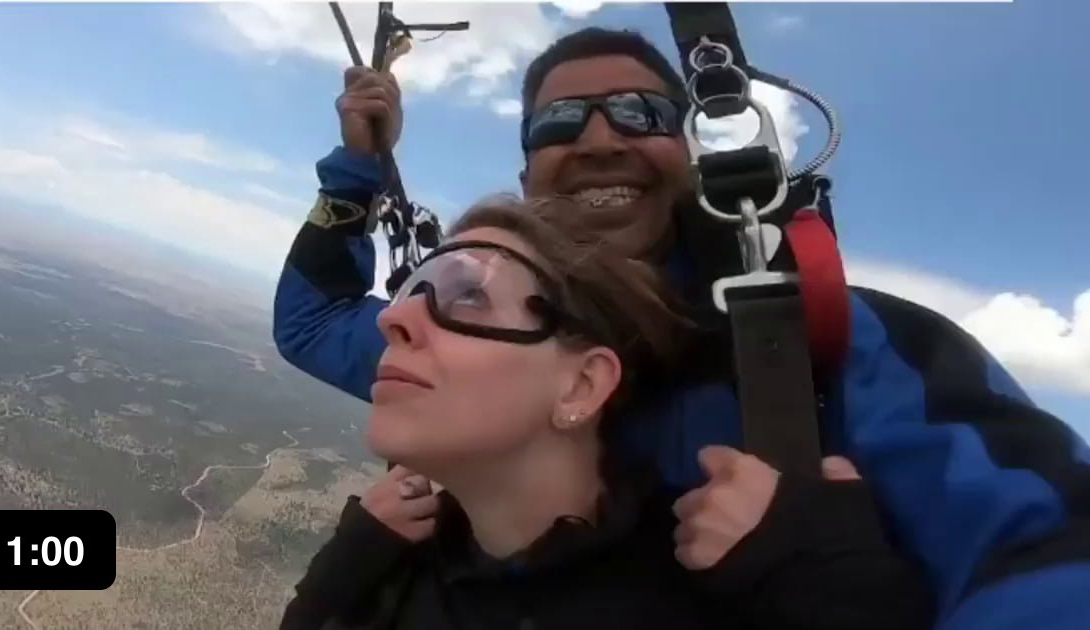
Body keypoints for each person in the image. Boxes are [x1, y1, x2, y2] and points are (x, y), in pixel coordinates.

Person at [274, 27, 1090, 630]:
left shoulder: (825, 341)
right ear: (528, 172)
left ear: (691, 151)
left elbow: (1053, 561)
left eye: (638, 113)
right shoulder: (479, 341)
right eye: (559, 124)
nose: (598, 139)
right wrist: (358, 168)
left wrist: (832, 584)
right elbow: (313, 323)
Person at [278, 195, 935, 630]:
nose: (393, 316)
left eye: (467, 293)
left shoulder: (697, 601)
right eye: (414, 288)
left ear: (582, 385)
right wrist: (351, 566)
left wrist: (843, 599)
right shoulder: (403, 565)